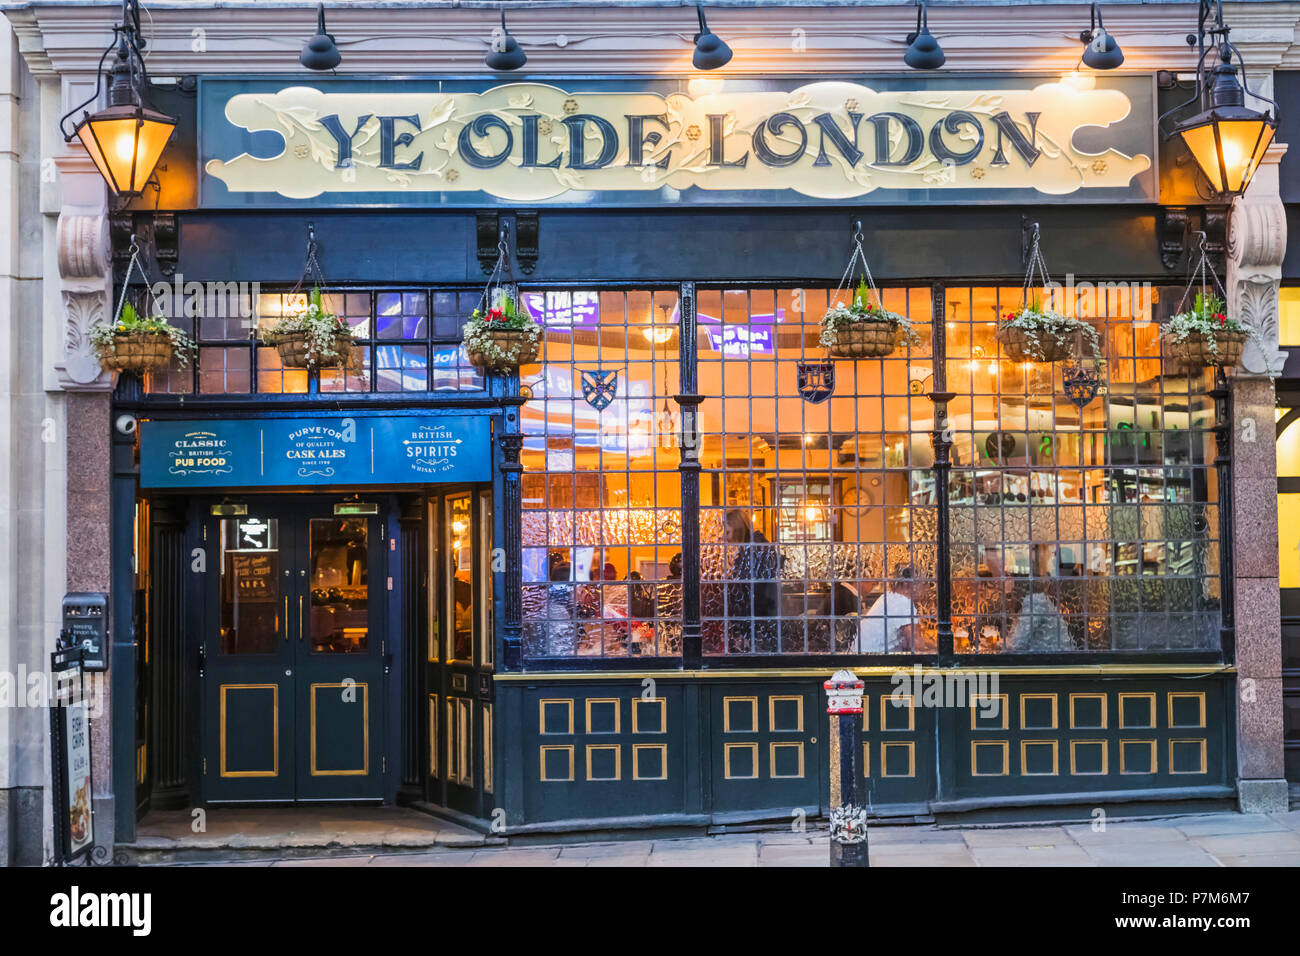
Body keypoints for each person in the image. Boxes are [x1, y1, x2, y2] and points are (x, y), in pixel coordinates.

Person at [724, 509, 780, 652]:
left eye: (727, 532)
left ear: (737, 529)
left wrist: (747, 631)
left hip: (760, 620)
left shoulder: (754, 549)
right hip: (759, 620)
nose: (725, 538)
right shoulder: (751, 548)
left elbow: (756, 592)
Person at [856, 566, 920, 653]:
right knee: (919, 666)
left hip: (859, 655)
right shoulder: (903, 602)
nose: (927, 589)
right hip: (874, 660)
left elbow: (906, 640)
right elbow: (916, 644)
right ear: (907, 583)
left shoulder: (887, 596)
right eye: (923, 583)